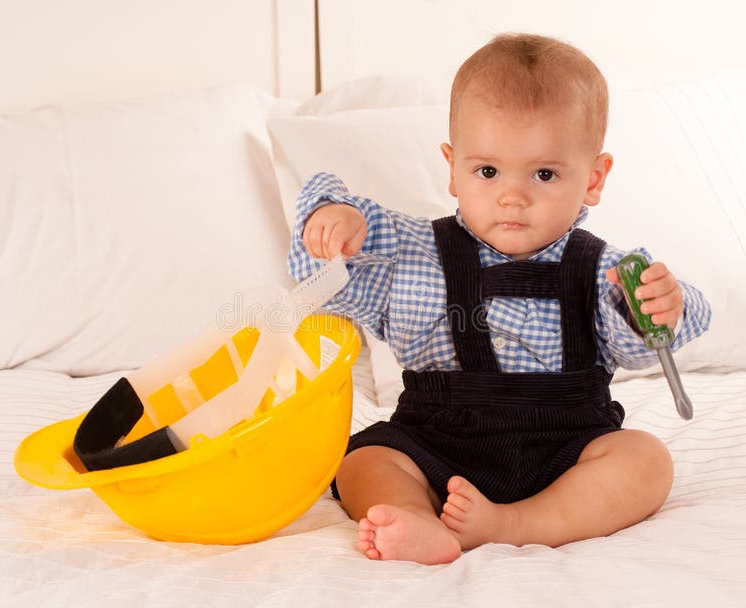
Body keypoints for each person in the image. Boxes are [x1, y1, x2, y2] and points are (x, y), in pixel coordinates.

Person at [288, 33, 712, 565]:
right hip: (438, 440)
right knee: (363, 460)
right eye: (488, 171)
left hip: (565, 446)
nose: (513, 196)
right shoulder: (412, 252)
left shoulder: (604, 269)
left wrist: (660, 307)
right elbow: (334, 277)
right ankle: (418, 520)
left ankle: (515, 524)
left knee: (646, 460)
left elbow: (645, 344)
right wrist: (334, 222)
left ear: (593, 178)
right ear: (452, 168)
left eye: (544, 173)